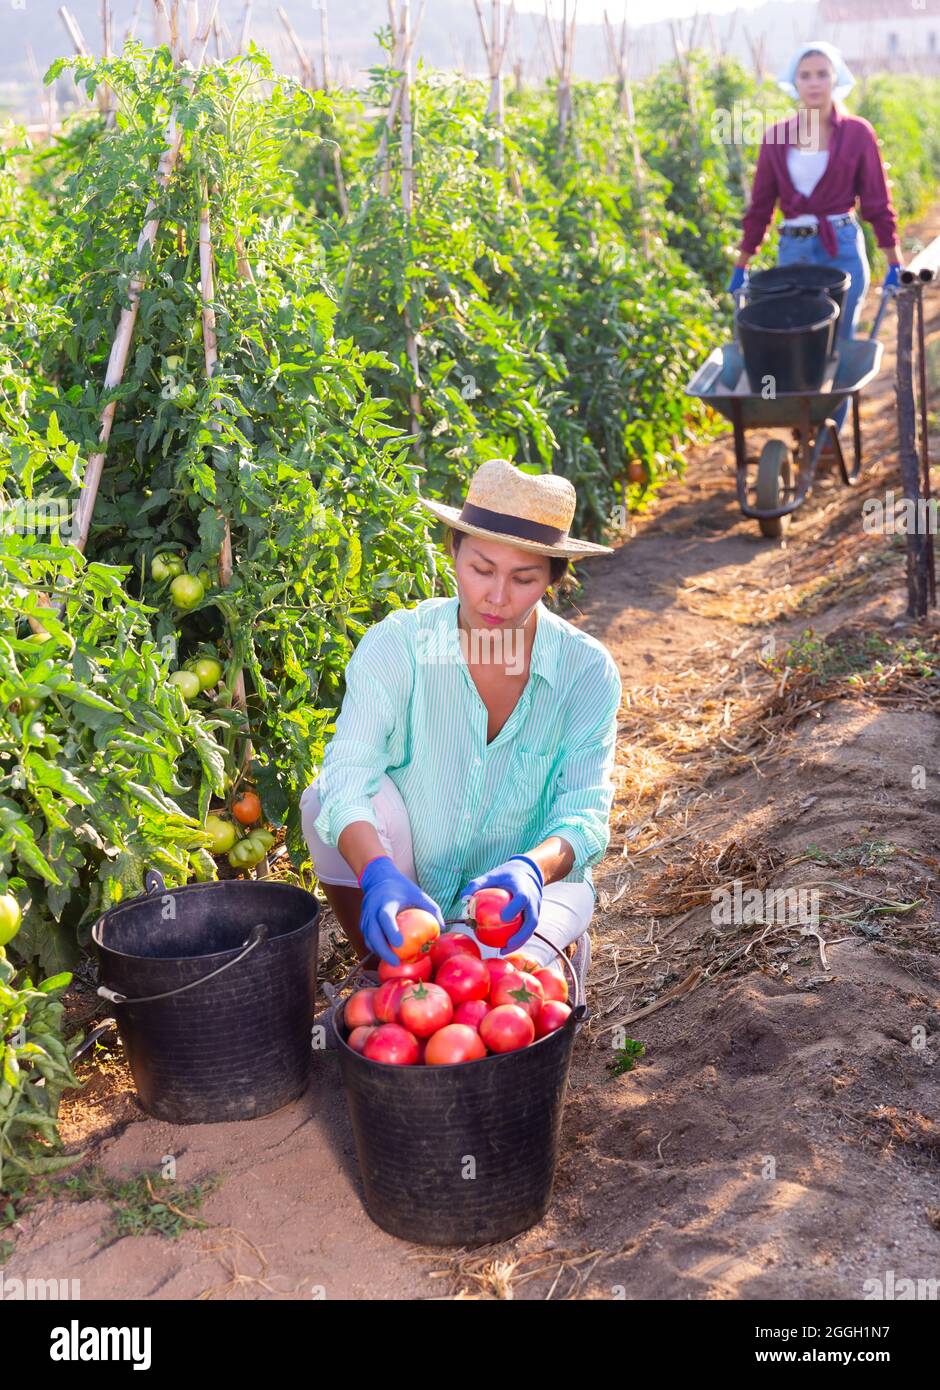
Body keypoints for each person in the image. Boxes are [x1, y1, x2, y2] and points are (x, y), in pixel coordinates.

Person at [300, 458, 622, 1026]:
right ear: (452, 551)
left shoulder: (584, 669)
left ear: (553, 578)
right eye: (481, 568)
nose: (496, 596)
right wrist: (377, 872)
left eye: (524, 578)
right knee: (322, 799)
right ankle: (384, 961)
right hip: (411, 871)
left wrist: (531, 868)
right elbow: (348, 775)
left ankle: (524, 954)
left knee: (491, 1000)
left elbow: (586, 816)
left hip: (520, 896)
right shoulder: (398, 645)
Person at [728, 40, 903, 452]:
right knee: (796, 339)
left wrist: (894, 259)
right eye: (806, 75)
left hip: (841, 247)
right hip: (794, 250)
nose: (814, 83)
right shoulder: (776, 138)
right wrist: (742, 264)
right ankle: (801, 418)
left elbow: (877, 202)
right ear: (794, 82)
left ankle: (826, 433)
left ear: (835, 79)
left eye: (822, 74)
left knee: (838, 341)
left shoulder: (857, 133)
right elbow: (760, 207)